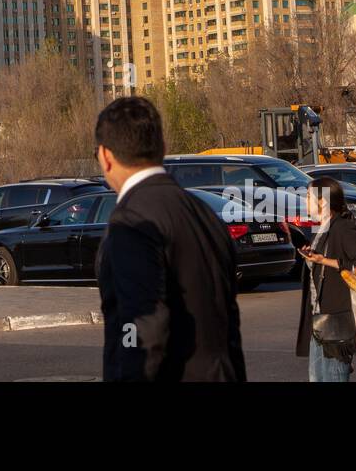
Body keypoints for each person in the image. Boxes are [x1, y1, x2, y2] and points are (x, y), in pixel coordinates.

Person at [93, 97, 246, 382]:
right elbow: (228, 326)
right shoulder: (204, 214)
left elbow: (142, 330)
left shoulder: (131, 222)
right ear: (162, 148)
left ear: (105, 156)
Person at [296, 176, 356, 382]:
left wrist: (324, 260)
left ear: (323, 201)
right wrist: (313, 257)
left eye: (308, 197)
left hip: (337, 324)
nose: (305, 201)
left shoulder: (342, 227)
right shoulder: (323, 229)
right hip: (319, 322)